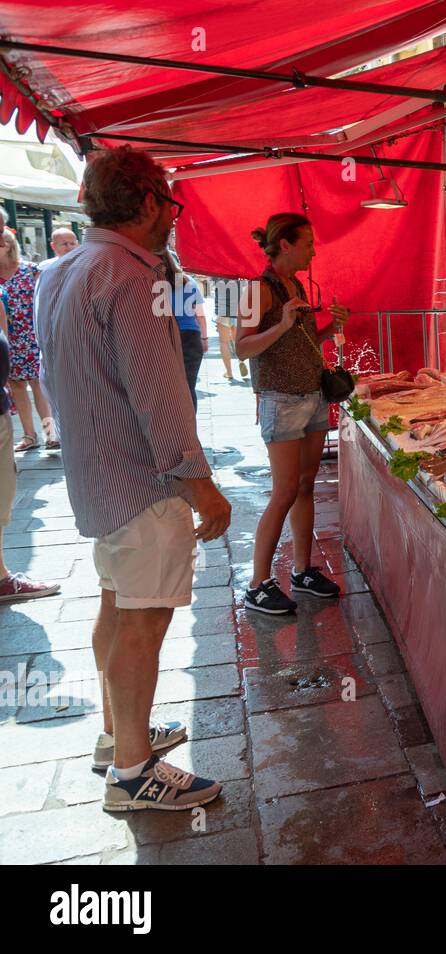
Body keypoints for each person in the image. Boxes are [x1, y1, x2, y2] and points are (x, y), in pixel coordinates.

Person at [35, 145, 231, 812]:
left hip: (95, 478)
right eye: (170, 203)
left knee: (117, 604)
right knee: (142, 623)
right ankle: (132, 773)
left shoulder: (60, 270)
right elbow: (159, 394)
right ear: (148, 203)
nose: (172, 217)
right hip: (143, 483)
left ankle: (118, 734)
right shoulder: (131, 274)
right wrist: (198, 480)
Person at [236, 212, 349, 615]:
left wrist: (325, 328)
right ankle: (257, 584)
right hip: (281, 401)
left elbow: (298, 342)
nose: (313, 251)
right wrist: (284, 324)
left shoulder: (294, 283)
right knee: (284, 491)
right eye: (308, 244)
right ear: (284, 244)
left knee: (305, 486)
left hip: (312, 396)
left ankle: (302, 570)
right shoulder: (256, 290)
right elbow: (242, 348)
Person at [0, 299, 59, 602]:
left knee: (38, 388)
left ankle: (49, 435)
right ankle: (37, 434)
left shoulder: (21, 277)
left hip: (26, 352)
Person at [0, 231, 58, 451]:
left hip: (32, 335)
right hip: (8, 338)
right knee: (16, 387)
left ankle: (50, 433)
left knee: (38, 384)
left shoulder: (30, 269)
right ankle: (29, 436)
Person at [161, 248, 208, 407]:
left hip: (167, 338)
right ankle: (190, 428)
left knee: (168, 390)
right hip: (191, 337)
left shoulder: (155, 283)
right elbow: (199, 314)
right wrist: (204, 338)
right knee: (189, 387)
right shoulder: (189, 281)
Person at [215, 279, 247, 381]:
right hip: (237, 313)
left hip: (223, 313)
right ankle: (241, 361)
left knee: (224, 343)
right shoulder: (237, 277)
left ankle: (229, 372)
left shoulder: (218, 278)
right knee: (236, 341)